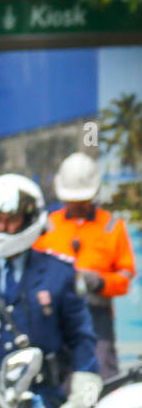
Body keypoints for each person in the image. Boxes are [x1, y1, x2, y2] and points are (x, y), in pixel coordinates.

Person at [0, 173, 100, 408]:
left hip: (43, 403)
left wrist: (83, 399)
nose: (4, 228)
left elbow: (83, 340)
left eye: (12, 219)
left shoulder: (60, 273)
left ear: (28, 220)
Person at [36, 152, 135, 380]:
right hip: (55, 318)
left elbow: (125, 276)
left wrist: (100, 282)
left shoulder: (111, 226)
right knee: (60, 379)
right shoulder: (48, 226)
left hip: (96, 317)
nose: (78, 204)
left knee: (103, 378)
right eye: (73, 200)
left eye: (82, 199)